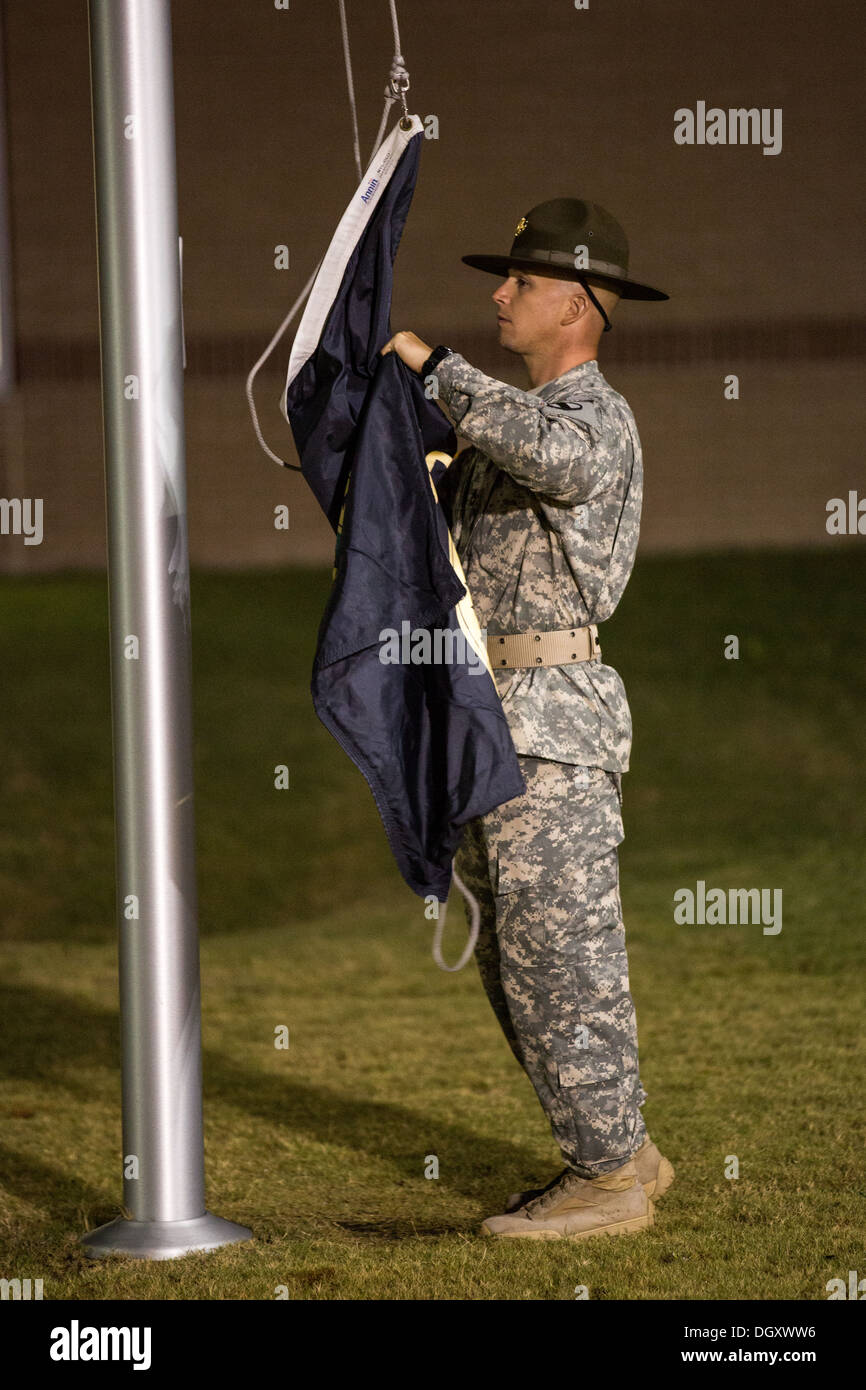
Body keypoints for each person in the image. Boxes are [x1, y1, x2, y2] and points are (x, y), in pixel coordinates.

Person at [380, 198, 674, 1241]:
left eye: (521, 282)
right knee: (516, 965)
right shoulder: (505, 427)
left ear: (580, 304)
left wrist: (432, 365)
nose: (498, 294)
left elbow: (556, 458)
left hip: (554, 726)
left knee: (563, 958)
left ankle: (605, 1178)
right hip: (489, 719)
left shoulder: (593, 419)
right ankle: (617, 1150)